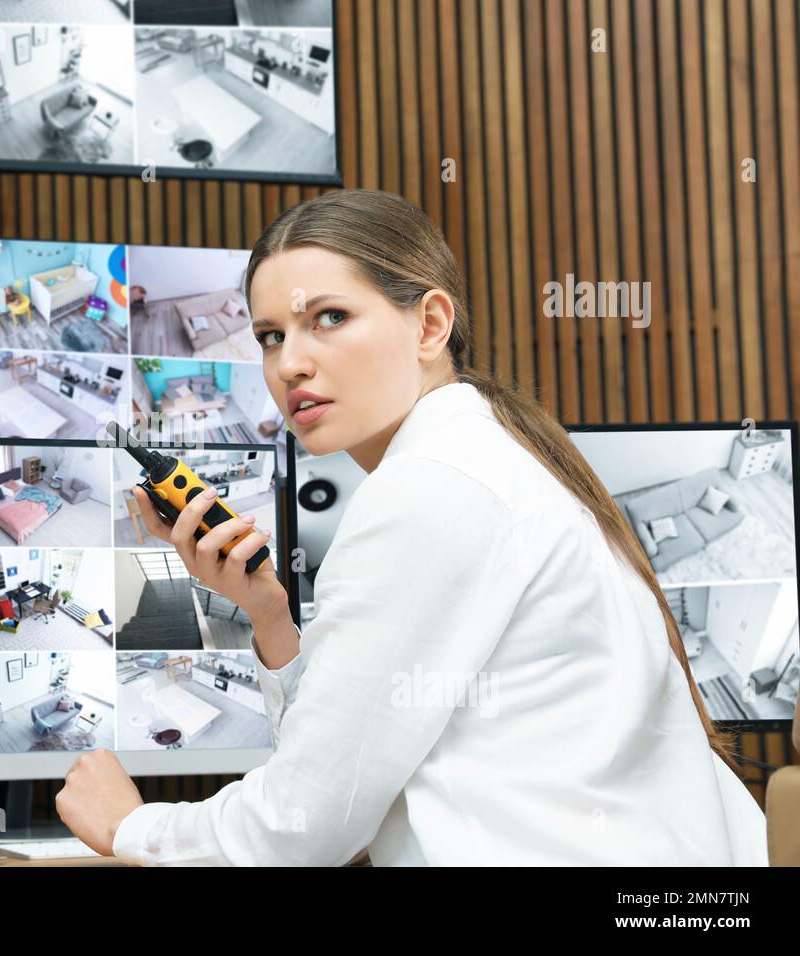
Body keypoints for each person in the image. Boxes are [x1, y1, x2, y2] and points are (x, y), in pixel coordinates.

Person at [55, 189, 768, 866]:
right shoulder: (483, 459)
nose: (290, 364)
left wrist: (131, 827)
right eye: (271, 336)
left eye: (329, 318)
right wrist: (269, 613)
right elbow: (346, 760)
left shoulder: (427, 492)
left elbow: (304, 829)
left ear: (429, 324)